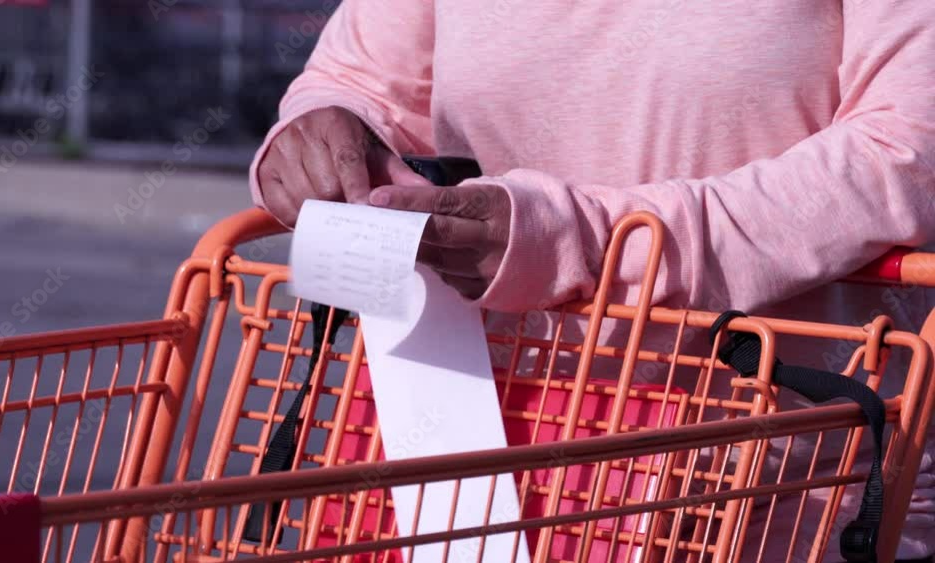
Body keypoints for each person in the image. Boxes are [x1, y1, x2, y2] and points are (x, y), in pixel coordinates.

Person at [248, 1, 935, 560]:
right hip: (493, 461)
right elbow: (361, 83)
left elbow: (907, 153)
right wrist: (319, 133)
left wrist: (578, 244)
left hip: (792, 484)